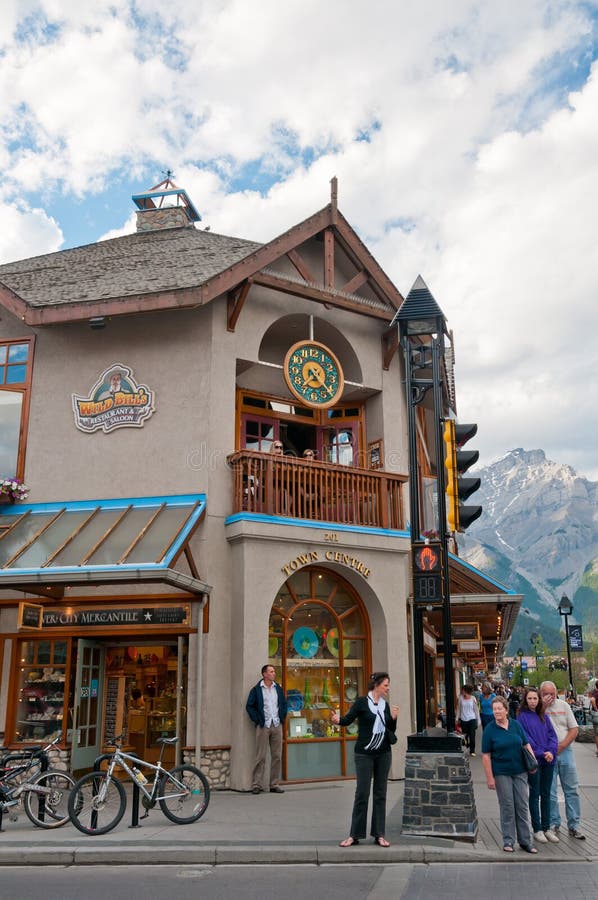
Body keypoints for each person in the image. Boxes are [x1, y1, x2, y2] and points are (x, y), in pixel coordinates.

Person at [331, 672, 398, 847]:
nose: (387, 688)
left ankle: (379, 834)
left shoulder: (385, 705)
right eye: (385, 685)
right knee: (362, 793)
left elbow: (390, 728)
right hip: (364, 754)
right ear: (376, 685)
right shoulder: (362, 702)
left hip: (384, 753)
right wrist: (337, 720)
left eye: (388, 685)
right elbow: (347, 719)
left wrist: (394, 718)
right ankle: (355, 835)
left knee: (380, 794)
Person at [481, 695, 538, 853]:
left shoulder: (516, 725)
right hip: (501, 772)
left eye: (500, 709)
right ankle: (508, 840)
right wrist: (489, 778)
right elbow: (486, 755)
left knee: (522, 805)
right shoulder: (490, 730)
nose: (497, 712)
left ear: (506, 710)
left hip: (520, 771)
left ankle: (526, 841)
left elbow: (526, 745)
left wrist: (533, 762)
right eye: (494, 709)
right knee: (507, 806)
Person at [541, 680, 585, 839]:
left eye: (551, 694)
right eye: (545, 694)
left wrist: (563, 745)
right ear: (541, 694)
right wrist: (543, 707)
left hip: (565, 751)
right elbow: (532, 725)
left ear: (556, 693)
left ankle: (574, 825)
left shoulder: (564, 706)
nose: (549, 697)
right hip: (547, 754)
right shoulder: (538, 708)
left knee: (571, 789)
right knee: (550, 791)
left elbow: (574, 729)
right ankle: (553, 824)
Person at [517, 687, 558, 843]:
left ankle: (547, 827)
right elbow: (526, 740)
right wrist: (542, 753)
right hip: (535, 761)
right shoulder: (522, 717)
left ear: (539, 700)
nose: (533, 701)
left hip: (549, 760)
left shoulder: (543, 716)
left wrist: (551, 752)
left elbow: (552, 736)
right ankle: (537, 829)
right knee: (535, 795)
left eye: (535, 698)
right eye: (530, 699)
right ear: (525, 700)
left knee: (546, 794)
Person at [246, 664, 287, 794]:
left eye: (274, 671)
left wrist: (282, 717)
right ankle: (256, 785)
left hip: (276, 725)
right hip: (263, 726)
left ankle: (274, 784)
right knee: (260, 756)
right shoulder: (257, 690)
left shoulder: (278, 688)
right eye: (271, 671)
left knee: (277, 756)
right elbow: (249, 706)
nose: (274, 673)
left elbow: (284, 704)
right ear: (264, 674)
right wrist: (258, 720)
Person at [457, 684, 480, 756]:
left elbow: (476, 710)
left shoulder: (473, 698)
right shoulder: (460, 698)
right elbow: (458, 709)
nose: (461, 691)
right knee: (465, 737)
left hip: (472, 719)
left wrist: (478, 720)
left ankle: (472, 751)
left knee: (472, 736)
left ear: (466, 691)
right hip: (463, 719)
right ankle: (467, 746)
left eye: (462, 690)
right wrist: (457, 718)